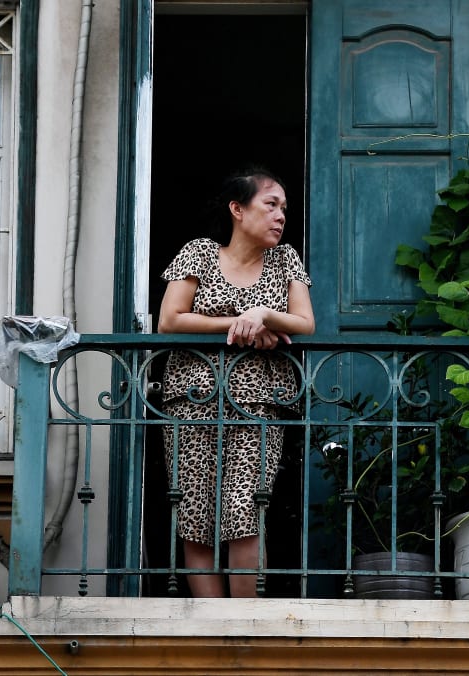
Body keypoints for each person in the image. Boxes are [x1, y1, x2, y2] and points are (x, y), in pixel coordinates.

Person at [157, 166, 315, 597]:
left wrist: (262, 314)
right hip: (192, 398)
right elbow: (169, 320)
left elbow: (305, 322)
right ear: (237, 210)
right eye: (271, 205)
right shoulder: (199, 253)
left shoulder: (286, 260)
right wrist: (237, 324)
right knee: (196, 516)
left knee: (245, 511)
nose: (282, 215)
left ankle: (241, 623)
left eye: (284, 207)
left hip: (260, 401)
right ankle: (211, 627)